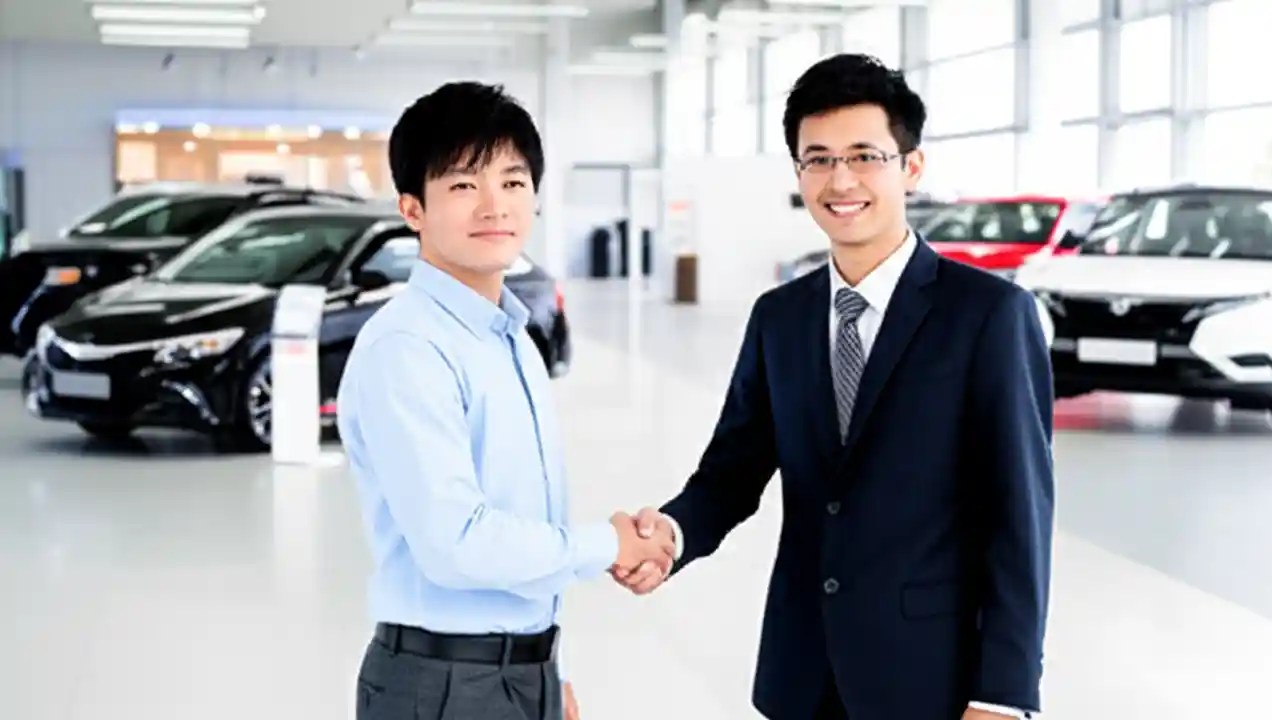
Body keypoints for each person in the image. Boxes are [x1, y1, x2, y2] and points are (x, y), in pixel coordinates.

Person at [613, 54, 1054, 720]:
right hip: (802, 673)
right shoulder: (780, 317)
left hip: (931, 679)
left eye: (864, 157)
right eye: (817, 159)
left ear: (911, 166)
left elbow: (1019, 514)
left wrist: (1003, 694)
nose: (840, 180)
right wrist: (671, 534)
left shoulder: (988, 315)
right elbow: (731, 473)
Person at [337, 82, 674, 720]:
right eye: (464, 185)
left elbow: (525, 512)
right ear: (413, 208)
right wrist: (608, 545)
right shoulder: (407, 347)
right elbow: (456, 543)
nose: (495, 206)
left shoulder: (511, 336)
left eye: (513, 182)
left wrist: (549, 670)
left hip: (520, 672)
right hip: (444, 685)